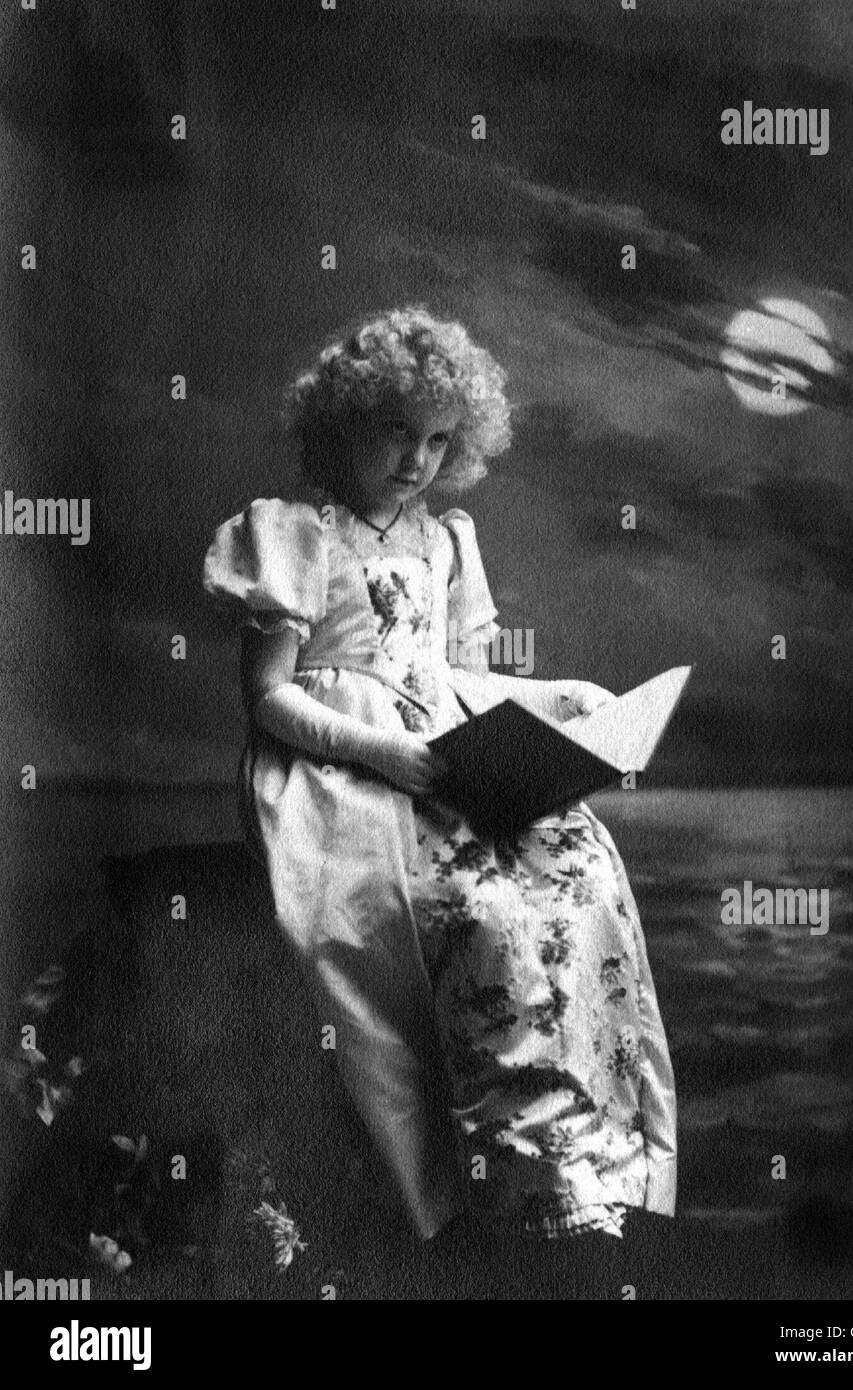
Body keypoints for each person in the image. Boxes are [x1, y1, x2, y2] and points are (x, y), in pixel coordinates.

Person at [202, 305, 676, 1291]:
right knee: (477, 908)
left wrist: (564, 697)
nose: (416, 459)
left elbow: (468, 677)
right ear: (344, 422)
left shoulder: (444, 542)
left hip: (435, 750)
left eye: (436, 440)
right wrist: (384, 750)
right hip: (330, 771)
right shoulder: (291, 534)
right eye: (394, 431)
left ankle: (565, 1148)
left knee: (577, 867)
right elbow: (268, 699)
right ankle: (481, 1162)